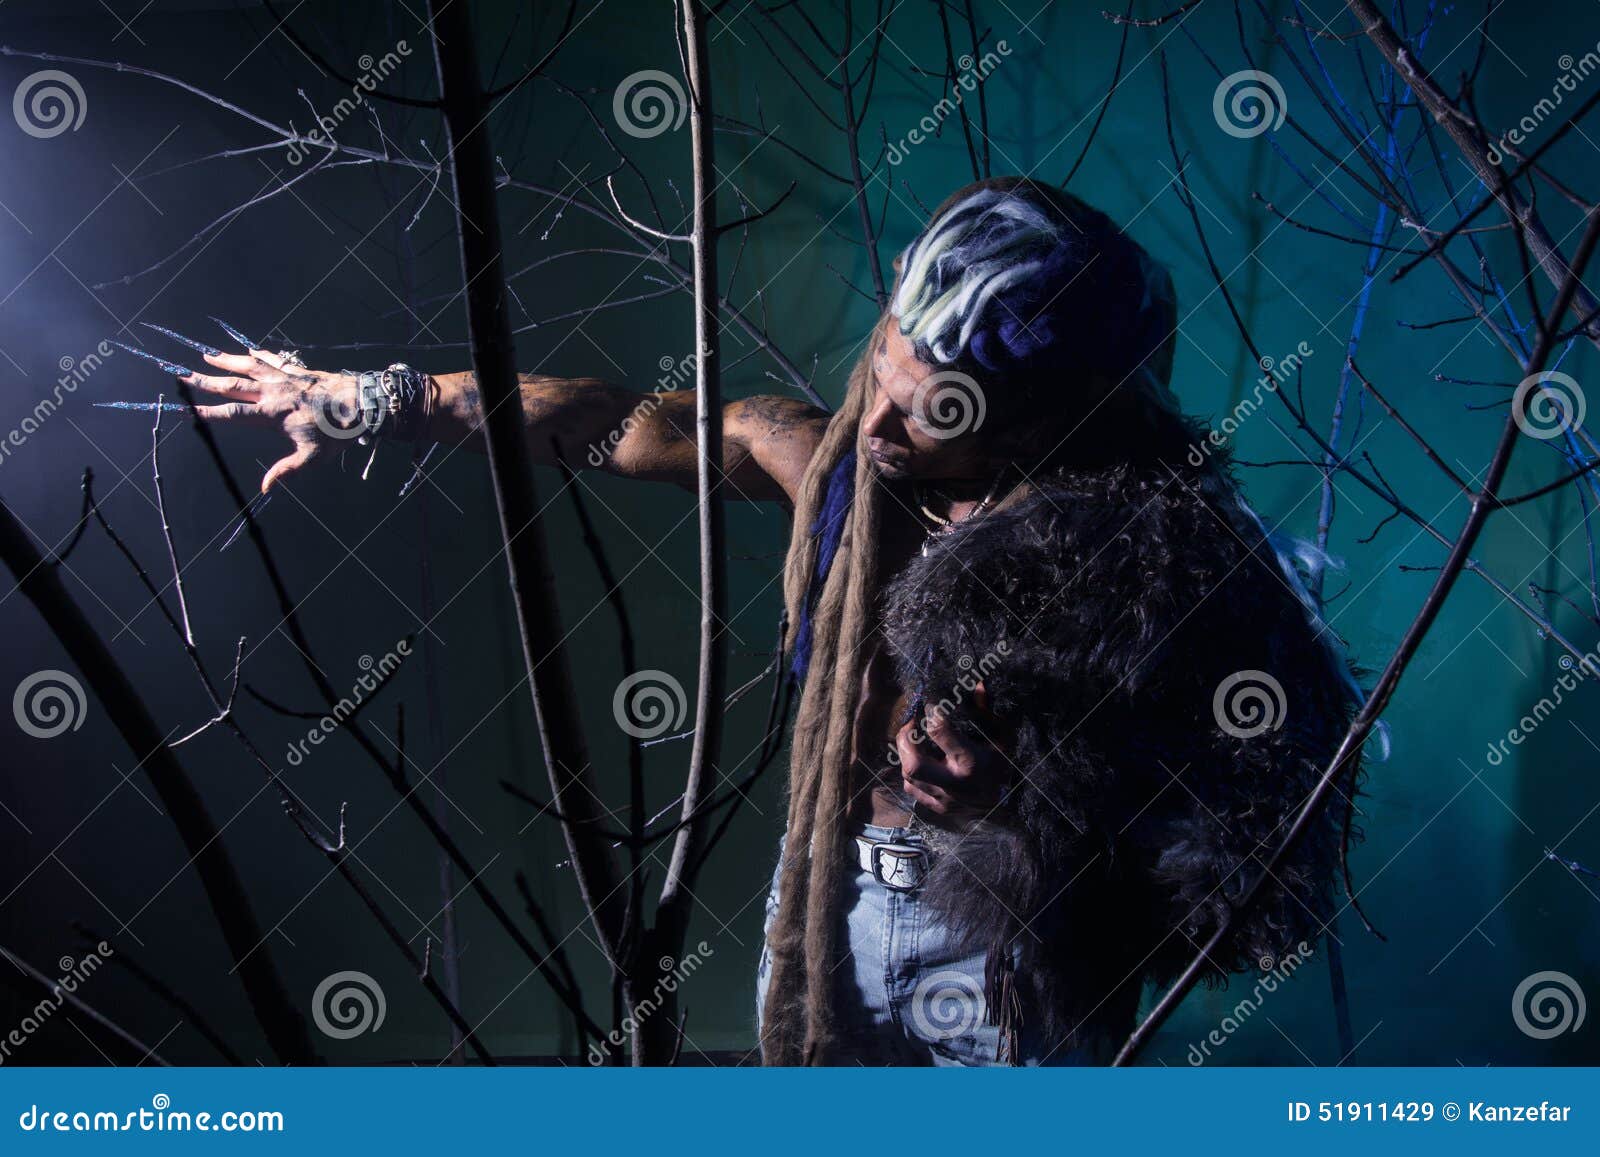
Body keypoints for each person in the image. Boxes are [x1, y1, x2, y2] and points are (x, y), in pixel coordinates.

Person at [177, 176, 1367, 1066]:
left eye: (937, 409)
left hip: (1016, 964)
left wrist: (1035, 795)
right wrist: (378, 398)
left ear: (1043, 418)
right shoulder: (847, 467)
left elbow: (1250, 830)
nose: (885, 424)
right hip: (828, 905)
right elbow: (619, 419)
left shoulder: (1163, 571)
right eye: (883, 375)